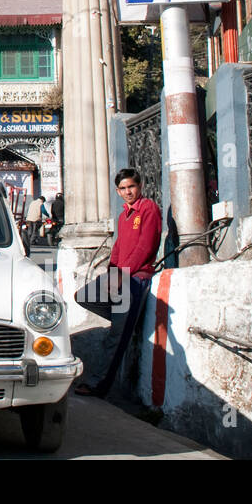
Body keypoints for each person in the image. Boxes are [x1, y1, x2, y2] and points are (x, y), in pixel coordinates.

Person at [74, 168, 162, 398]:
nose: (127, 192)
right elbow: (119, 248)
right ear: (117, 191)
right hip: (120, 277)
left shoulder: (148, 209)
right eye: (123, 189)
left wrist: (121, 275)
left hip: (135, 278)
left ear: (139, 186)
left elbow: (145, 247)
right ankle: (125, 320)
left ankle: (98, 384)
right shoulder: (124, 215)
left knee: (115, 337)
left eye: (131, 187)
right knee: (83, 296)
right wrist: (111, 272)